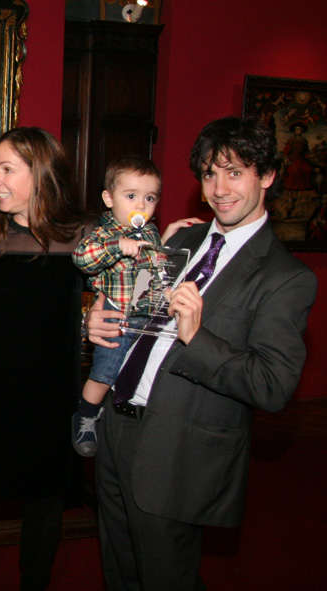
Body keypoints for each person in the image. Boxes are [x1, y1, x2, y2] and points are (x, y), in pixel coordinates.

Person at [86, 116, 317, 590]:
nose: (219, 188)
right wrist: (96, 319)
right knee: (119, 572)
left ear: (267, 176)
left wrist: (197, 336)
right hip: (116, 426)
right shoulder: (177, 240)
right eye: (210, 174)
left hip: (177, 452)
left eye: (235, 172)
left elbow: (272, 386)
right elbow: (133, 311)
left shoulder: (285, 277)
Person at [0, 127, 89, 591]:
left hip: (51, 401)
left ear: (41, 173)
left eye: (6, 169)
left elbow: (124, 296)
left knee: (45, 507)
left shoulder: (84, 240)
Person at [70, 157, 199, 456]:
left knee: (139, 373)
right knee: (104, 373)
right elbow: (82, 258)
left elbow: (156, 265)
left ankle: (115, 415)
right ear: (108, 198)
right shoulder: (105, 233)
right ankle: (85, 415)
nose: (141, 205)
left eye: (149, 198)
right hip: (115, 318)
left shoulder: (150, 232)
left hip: (146, 318)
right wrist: (117, 246)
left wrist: (166, 242)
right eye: (131, 196)